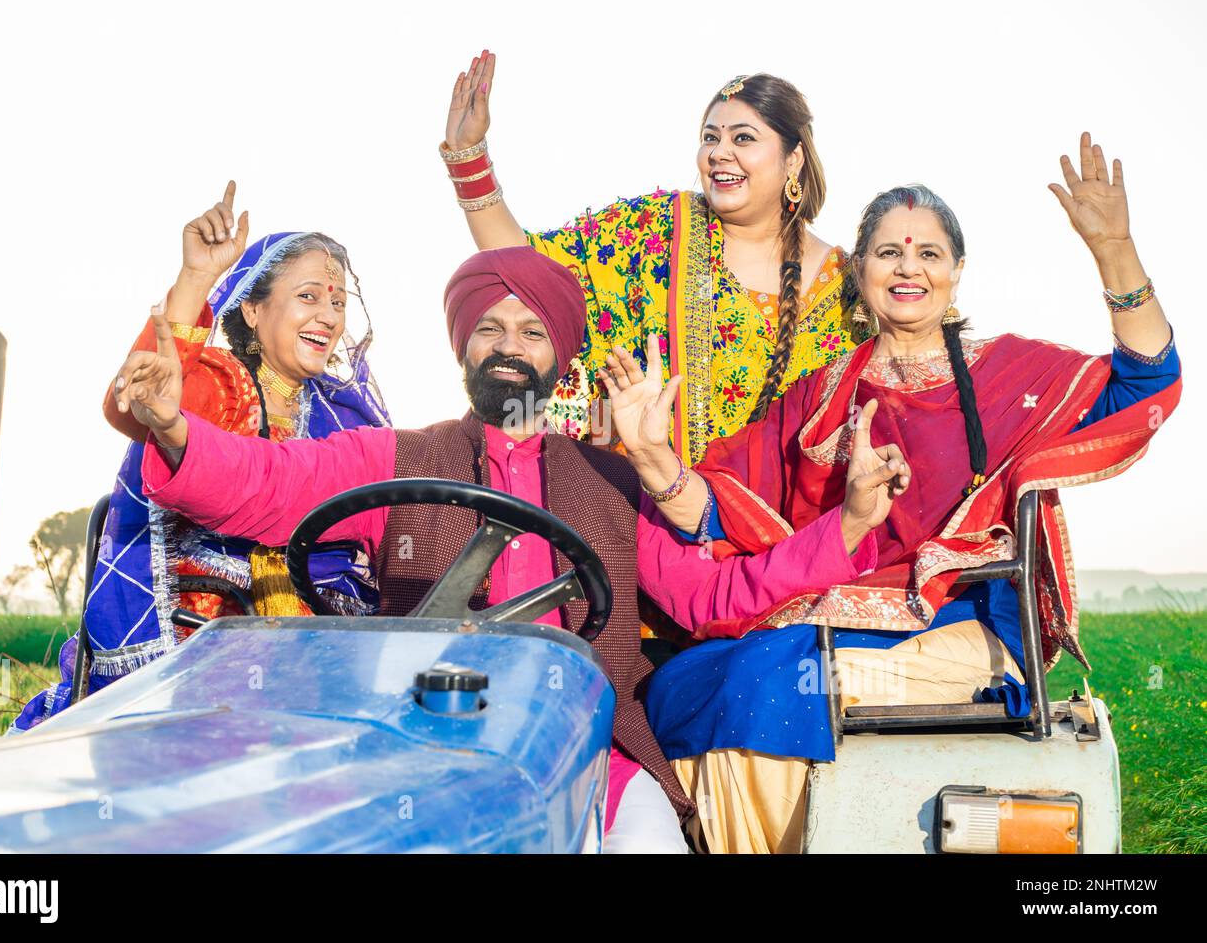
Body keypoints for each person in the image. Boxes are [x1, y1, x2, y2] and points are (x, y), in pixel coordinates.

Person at [112, 245, 902, 852]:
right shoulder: (397, 457)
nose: (508, 345)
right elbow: (265, 482)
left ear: (558, 356)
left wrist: (854, 525)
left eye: (530, 330)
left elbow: (714, 597)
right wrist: (176, 427)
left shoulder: (613, 482)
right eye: (489, 327)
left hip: (595, 752)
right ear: (463, 348)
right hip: (426, 744)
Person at [600, 134, 1181, 852]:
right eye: (889, 252)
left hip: (959, 627)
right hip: (822, 621)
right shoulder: (820, 396)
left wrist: (1114, 251)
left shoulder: (1010, 377)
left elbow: (1146, 381)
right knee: (688, 682)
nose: (909, 268)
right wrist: (654, 459)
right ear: (861, 270)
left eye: (929, 254)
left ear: (957, 273)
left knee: (772, 678)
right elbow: (719, 507)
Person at [11, 184, 389, 732]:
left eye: (337, 301)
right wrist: (195, 278)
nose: (328, 315)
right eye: (308, 296)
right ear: (254, 311)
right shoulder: (221, 382)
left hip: (325, 625)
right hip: (202, 618)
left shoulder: (347, 413)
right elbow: (140, 408)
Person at [441, 51, 866, 463]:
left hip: (800, 529)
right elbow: (530, 270)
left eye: (743, 138)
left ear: (793, 159)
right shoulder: (657, 230)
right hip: (643, 515)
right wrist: (470, 156)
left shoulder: (854, 287)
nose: (719, 153)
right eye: (710, 138)